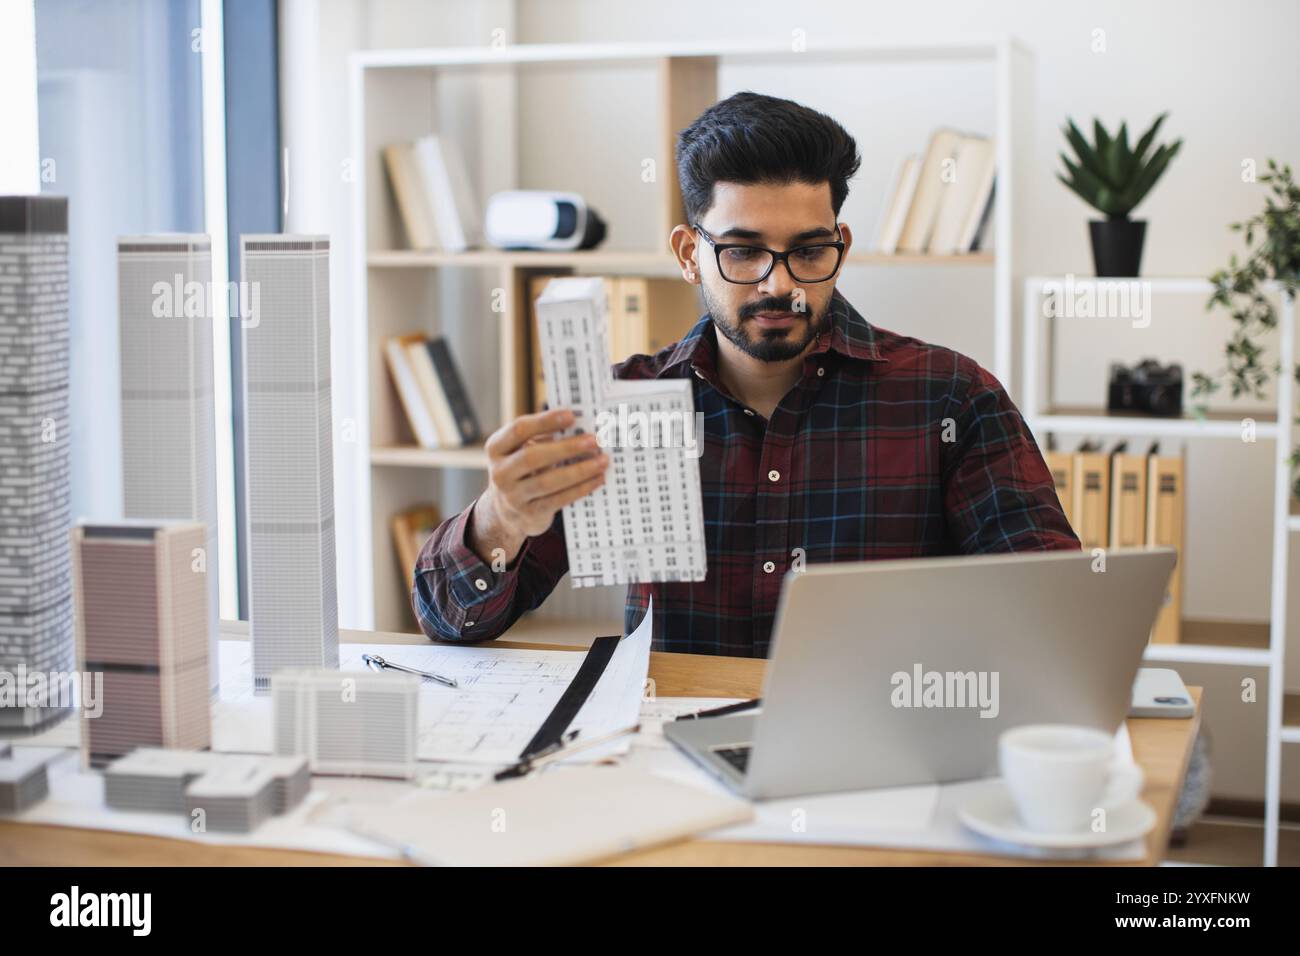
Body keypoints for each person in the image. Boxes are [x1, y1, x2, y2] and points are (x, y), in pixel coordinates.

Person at [413, 90, 1079, 658]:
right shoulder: (619, 405)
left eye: (808, 251)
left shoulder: (953, 398)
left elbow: (1056, 617)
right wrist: (500, 520)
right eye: (742, 251)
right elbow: (452, 621)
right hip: (671, 767)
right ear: (687, 252)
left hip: (882, 753)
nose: (779, 283)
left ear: (839, 247)